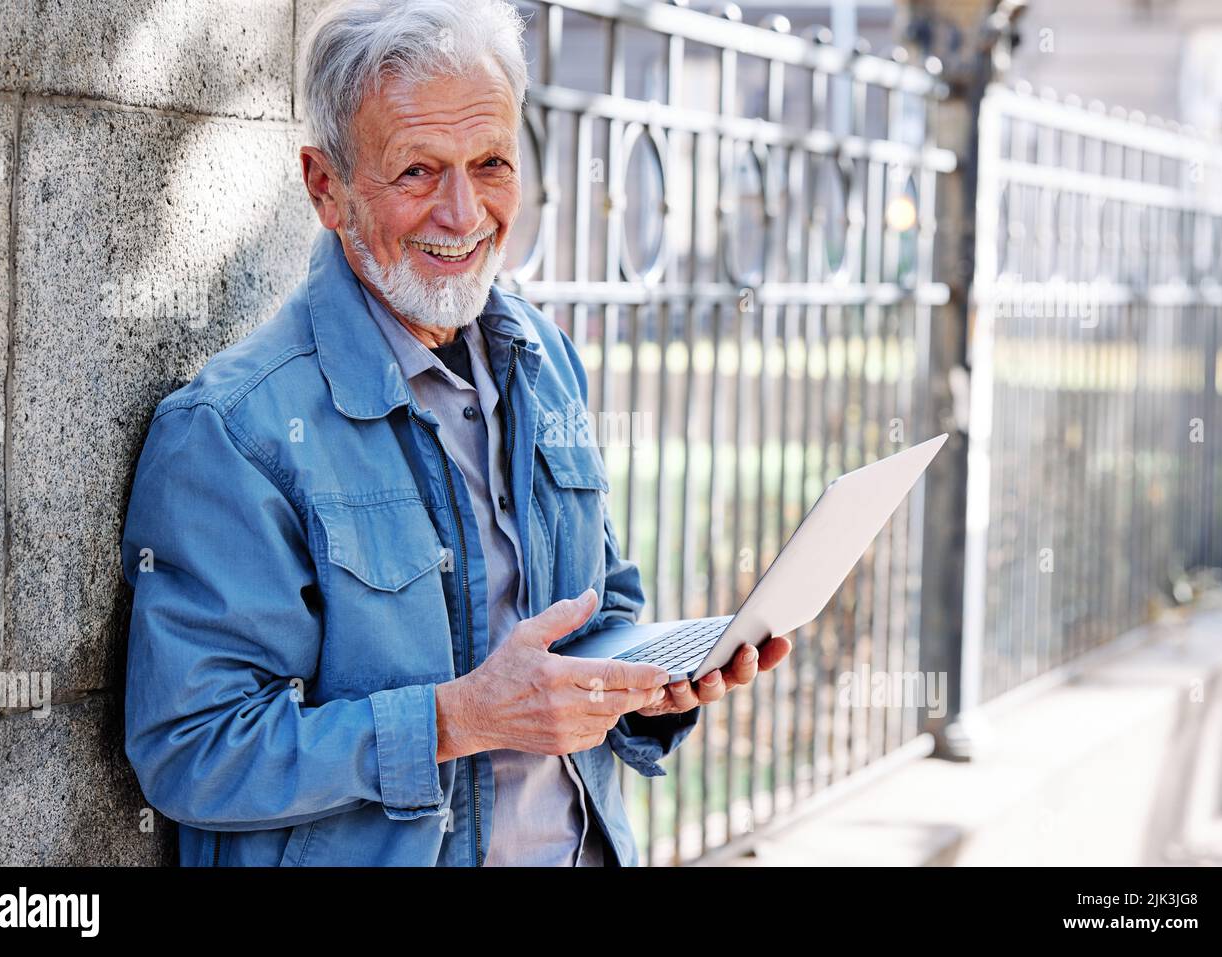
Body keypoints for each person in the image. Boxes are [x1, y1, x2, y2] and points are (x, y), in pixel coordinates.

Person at [120, 0, 791, 867]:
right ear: (327, 188)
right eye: (417, 173)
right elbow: (193, 750)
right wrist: (457, 719)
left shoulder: (542, 357)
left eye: (490, 162)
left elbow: (601, 603)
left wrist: (654, 679)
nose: (464, 211)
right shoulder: (232, 432)